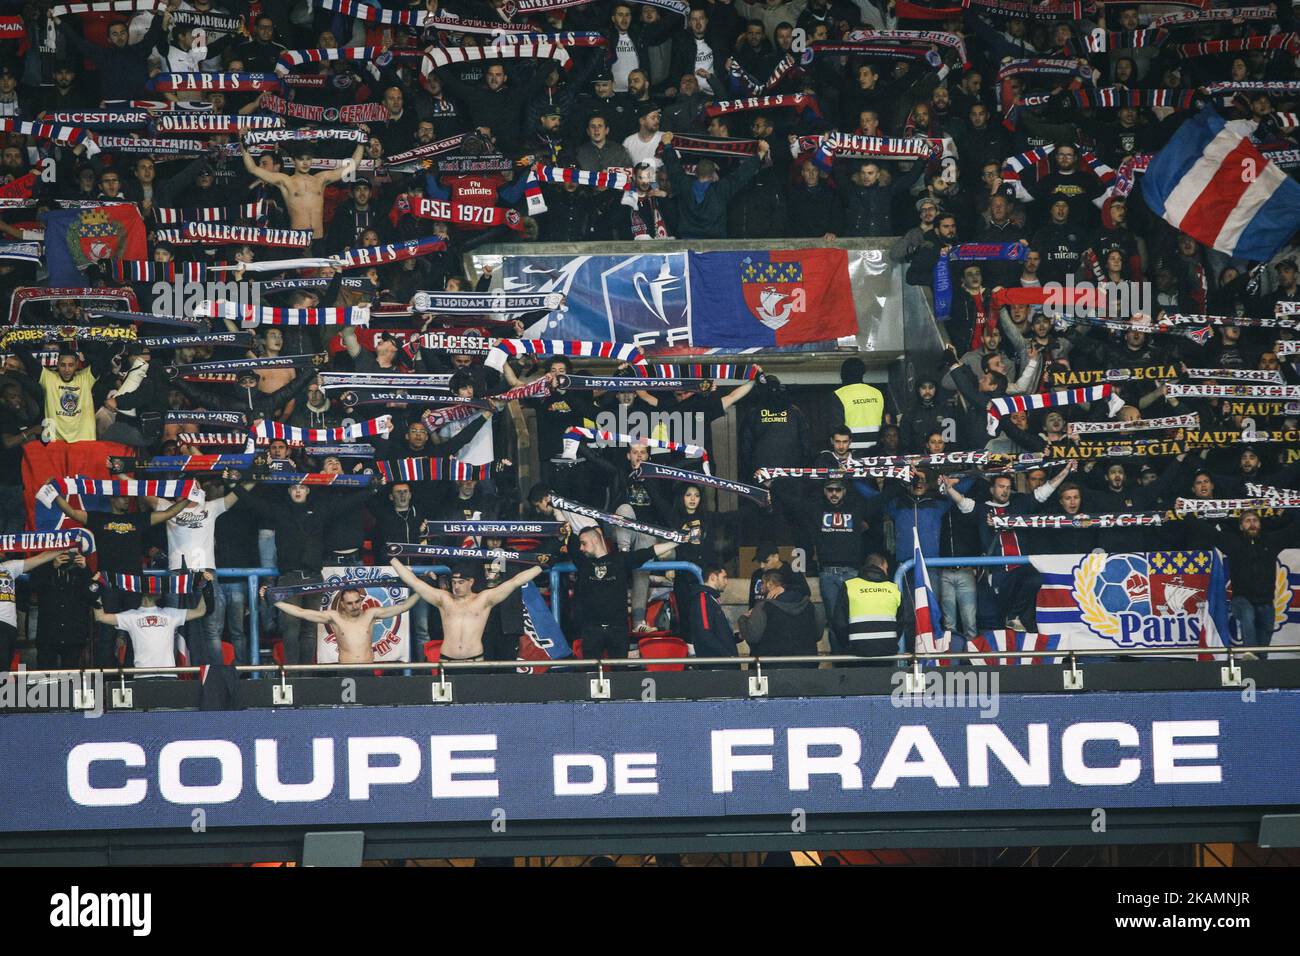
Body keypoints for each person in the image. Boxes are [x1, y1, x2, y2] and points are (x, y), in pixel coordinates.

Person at [388, 559, 545, 662]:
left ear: (471, 582)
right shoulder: (444, 599)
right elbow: (414, 582)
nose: (456, 586)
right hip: (447, 660)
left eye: (461, 582)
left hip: (474, 659)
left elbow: (515, 581)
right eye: (454, 582)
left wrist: (542, 565)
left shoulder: (483, 600)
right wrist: (393, 559)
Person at [241, 140, 365, 244]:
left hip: (318, 239)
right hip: (297, 239)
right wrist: (242, 143)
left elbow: (352, 166)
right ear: (294, 160)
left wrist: (361, 142)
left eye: (308, 159)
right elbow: (252, 168)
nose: (305, 163)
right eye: (301, 159)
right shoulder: (286, 181)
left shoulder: (320, 179)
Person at [93, 573, 212, 675]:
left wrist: (206, 586)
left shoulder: (170, 613)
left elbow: (200, 611)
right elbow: (100, 617)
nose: (153, 587)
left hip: (169, 675)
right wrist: (94, 589)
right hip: (142, 675)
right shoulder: (131, 616)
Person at [270, 586, 420, 665]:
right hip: (345, 670)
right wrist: (275, 601)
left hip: (368, 669)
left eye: (357, 601)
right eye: (349, 603)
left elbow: (403, 607)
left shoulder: (371, 614)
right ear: (342, 604)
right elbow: (301, 612)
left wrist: (421, 589)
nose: (354, 606)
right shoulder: (335, 618)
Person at [1, 547, 72, 671]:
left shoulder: (8, 567)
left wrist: (66, 546)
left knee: (4, 670)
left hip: (9, 626)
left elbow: (40, 558)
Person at [739, 567, 823, 665]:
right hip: (807, 665)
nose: (761, 589)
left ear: (770, 584)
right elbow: (818, 633)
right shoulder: (808, 605)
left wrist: (743, 619)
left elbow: (753, 636)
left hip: (772, 668)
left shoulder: (763, 607)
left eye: (762, 583)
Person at [830, 553, 901, 663]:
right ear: (881, 566)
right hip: (887, 652)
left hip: (856, 652)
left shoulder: (849, 586)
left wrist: (847, 646)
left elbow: (839, 623)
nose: (887, 572)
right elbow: (902, 621)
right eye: (886, 569)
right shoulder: (893, 588)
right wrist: (890, 642)